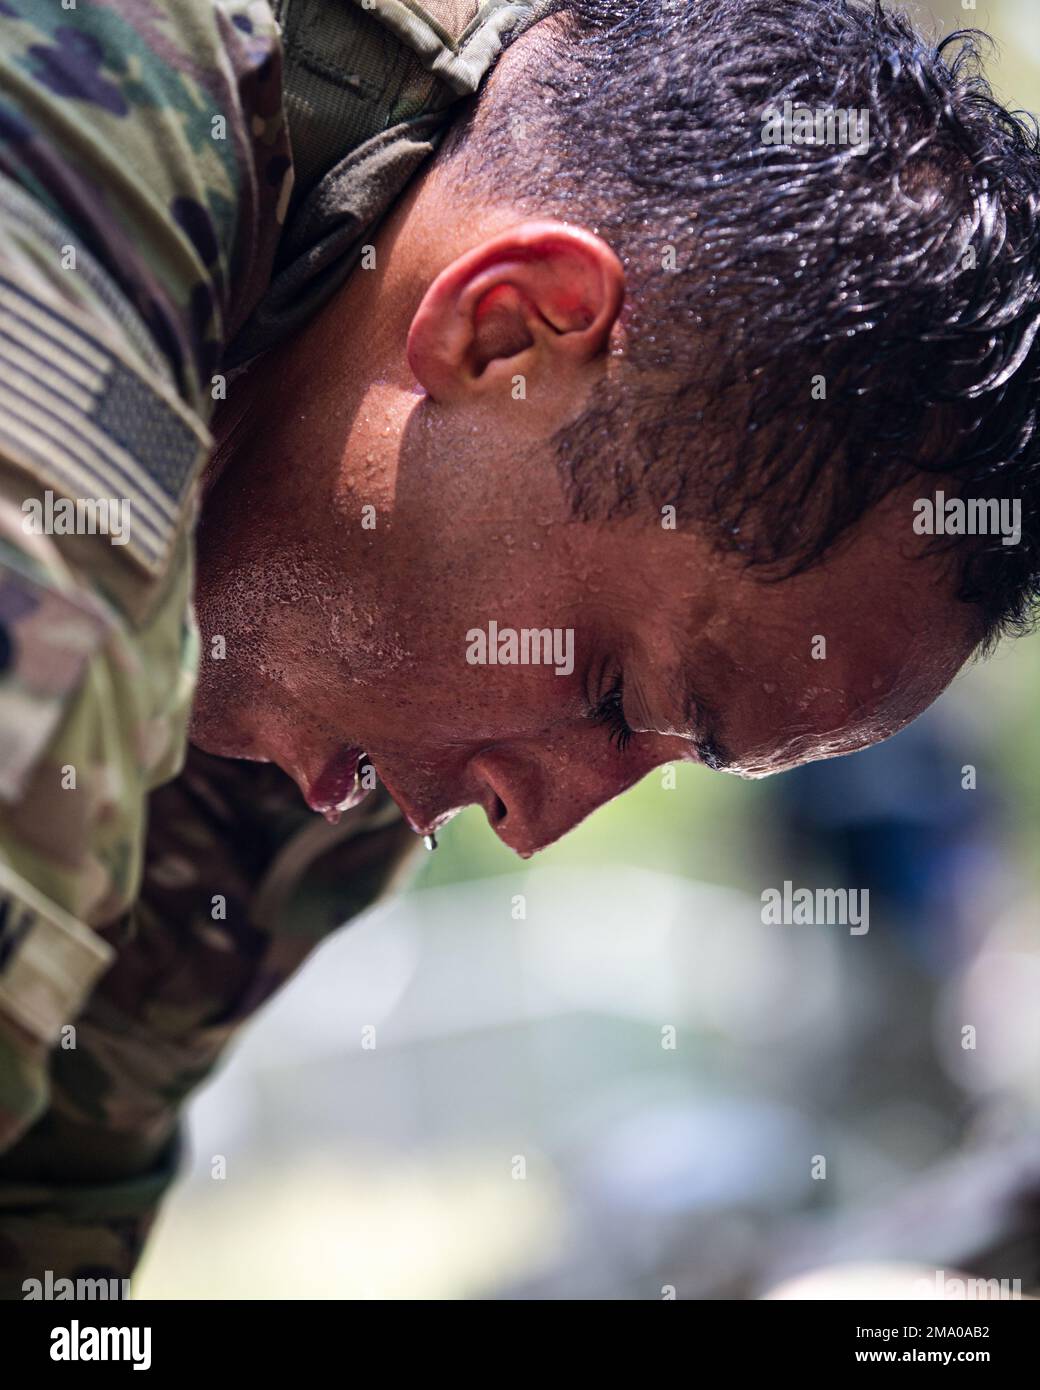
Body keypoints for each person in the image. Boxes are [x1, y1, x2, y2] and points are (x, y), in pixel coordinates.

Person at [0, 0, 1037, 1293]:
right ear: (507, 333)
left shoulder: (372, 628)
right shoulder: (97, 103)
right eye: (608, 692)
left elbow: (48, 1206)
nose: (531, 823)